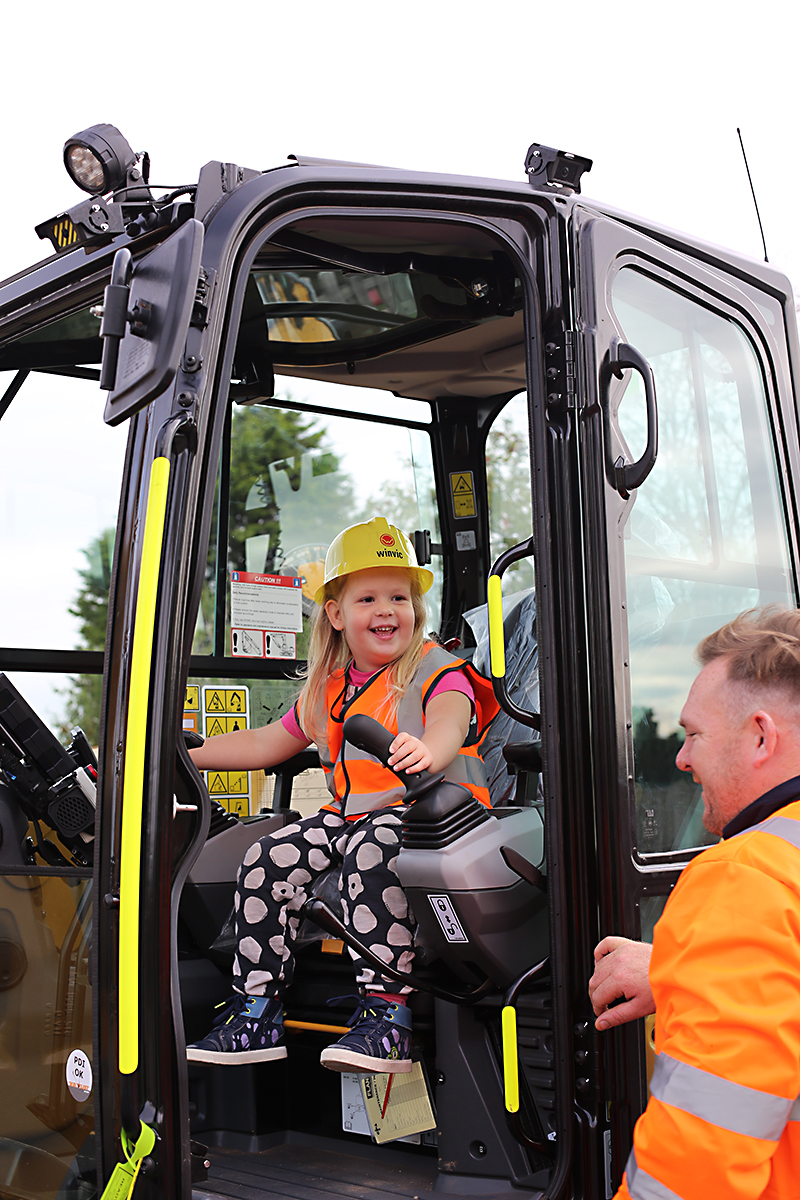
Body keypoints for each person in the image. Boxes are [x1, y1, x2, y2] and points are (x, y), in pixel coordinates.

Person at [187, 516, 498, 1074]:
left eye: (399, 597)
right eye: (368, 598)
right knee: (267, 857)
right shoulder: (328, 689)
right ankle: (255, 1012)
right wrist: (189, 753)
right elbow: (266, 743)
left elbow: (452, 719)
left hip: (439, 822)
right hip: (352, 817)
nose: (387, 610)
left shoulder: (437, 669)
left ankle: (386, 1018)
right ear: (335, 614)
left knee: (374, 849)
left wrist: (430, 748)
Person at [588, 606, 800, 1200]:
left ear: (761, 735)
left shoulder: (747, 878)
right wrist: (685, 967)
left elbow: (700, 1160)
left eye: (694, 734)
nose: (681, 759)